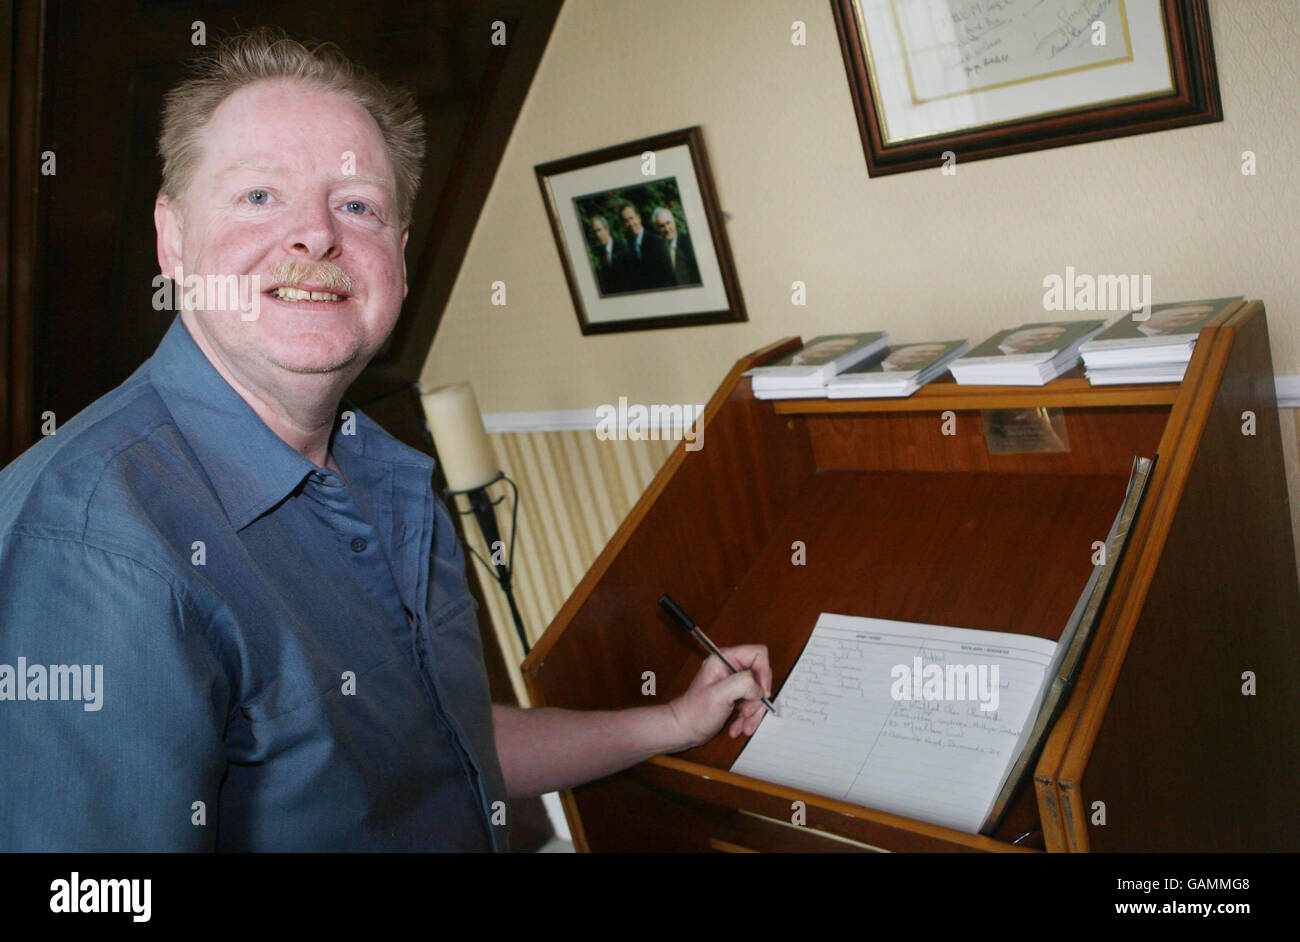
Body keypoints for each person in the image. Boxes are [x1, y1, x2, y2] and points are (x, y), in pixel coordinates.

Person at [0, 29, 771, 852]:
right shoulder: (91, 542)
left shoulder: (387, 474)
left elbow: (446, 750)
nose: (316, 235)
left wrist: (669, 724)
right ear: (172, 238)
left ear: (398, 259)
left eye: (358, 204)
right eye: (259, 195)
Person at [618, 203, 672, 289]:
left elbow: (667, 277)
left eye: (631, 218)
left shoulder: (656, 243)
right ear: (623, 225)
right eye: (626, 221)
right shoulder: (627, 250)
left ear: (639, 218)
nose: (630, 223)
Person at [651, 207, 701, 286]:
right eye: (662, 226)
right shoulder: (658, 251)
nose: (667, 229)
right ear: (657, 229)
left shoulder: (689, 243)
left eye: (668, 223)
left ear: (674, 222)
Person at [588, 215, 631, 294]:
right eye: (594, 232)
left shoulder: (624, 249)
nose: (597, 235)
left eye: (599, 230)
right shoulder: (598, 254)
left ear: (607, 230)